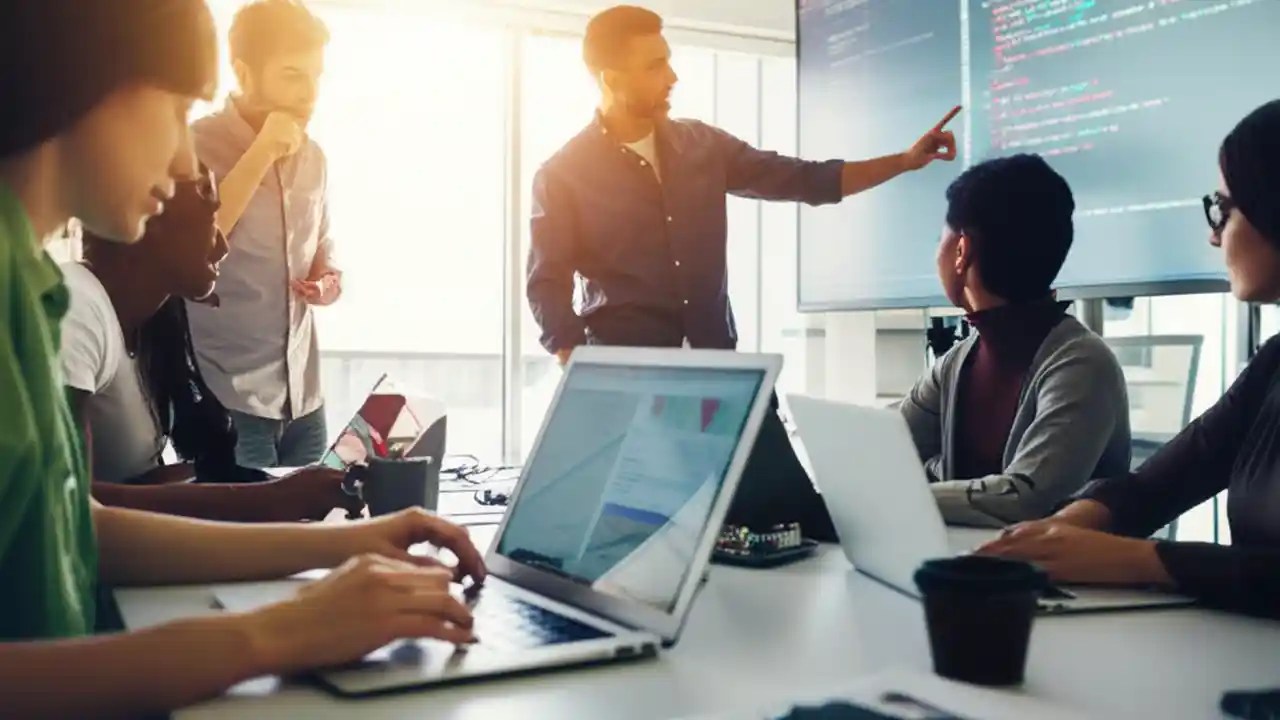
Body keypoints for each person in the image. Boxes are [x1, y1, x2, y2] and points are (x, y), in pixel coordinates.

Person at [0, 3, 482, 716]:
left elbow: (80, 528)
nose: (185, 161)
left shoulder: (31, 284)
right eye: (178, 109)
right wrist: (277, 634)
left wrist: (347, 544)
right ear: (85, 80)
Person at [525, 5, 958, 536]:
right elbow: (546, 286)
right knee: (639, 544)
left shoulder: (702, 146)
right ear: (611, 79)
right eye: (655, 65)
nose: (672, 76)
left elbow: (806, 179)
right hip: (631, 387)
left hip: (723, 380)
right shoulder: (563, 174)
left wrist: (904, 161)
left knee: (800, 524)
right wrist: (587, 382)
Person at [980, 99, 1280, 619]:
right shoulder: (1275, 362)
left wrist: (1138, 560)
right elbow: (1159, 484)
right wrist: (1061, 530)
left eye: (1224, 209)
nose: (1213, 234)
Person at [63, 163, 363, 522]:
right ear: (146, 219)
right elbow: (66, 506)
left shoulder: (150, 324)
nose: (222, 246)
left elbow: (140, 483)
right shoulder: (74, 306)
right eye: (211, 218)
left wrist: (271, 486)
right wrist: (271, 501)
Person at [897, 155, 1131, 527]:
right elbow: (889, 453)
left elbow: (1027, 499)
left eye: (940, 238)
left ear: (961, 251)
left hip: (1050, 566)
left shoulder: (1082, 363)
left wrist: (895, 495)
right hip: (965, 556)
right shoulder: (955, 364)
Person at [189, 0, 340, 469]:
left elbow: (323, 248)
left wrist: (328, 280)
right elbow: (196, 248)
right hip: (227, 399)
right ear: (243, 73)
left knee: (317, 514)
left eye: (315, 76)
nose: (309, 93)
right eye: (292, 75)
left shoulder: (314, 157)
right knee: (243, 520)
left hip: (305, 400)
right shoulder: (193, 145)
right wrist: (261, 151)